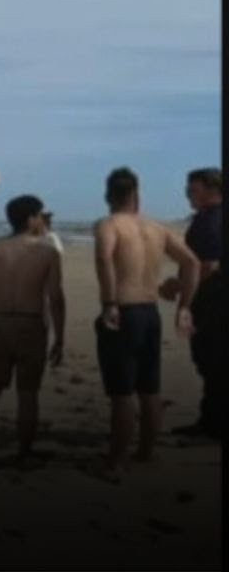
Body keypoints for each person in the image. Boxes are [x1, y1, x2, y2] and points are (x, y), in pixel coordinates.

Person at [93, 167, 198, 472]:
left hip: (123, 311)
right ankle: (146, 453)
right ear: (136, 195)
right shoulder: (157, 227)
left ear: (108, 196)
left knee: (122, 393)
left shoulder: (108, 224)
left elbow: (103, 257)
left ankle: (116, 459)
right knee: (150, 389)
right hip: (150, 314)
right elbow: (191, 262)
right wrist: (184, 306)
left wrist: (109, 303)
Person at [0, 195, 65, 464]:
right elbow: (56, 298)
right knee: (28, 393)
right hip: (30, 324)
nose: (42, 220)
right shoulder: (47, 252)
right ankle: (24, 452)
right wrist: (60, 338)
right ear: (31, 218)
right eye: (40, 215)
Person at [162, 168, 223, 439]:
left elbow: (208, 265)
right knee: (212, 363)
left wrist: (178, 286)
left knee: (212, 362)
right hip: (211, 300)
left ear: (212, 190)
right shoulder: (209, 218)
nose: (187, 193)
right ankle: (210, 421)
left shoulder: (210, 220)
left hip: (213, 303)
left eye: (193, 189)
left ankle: (213, 426)